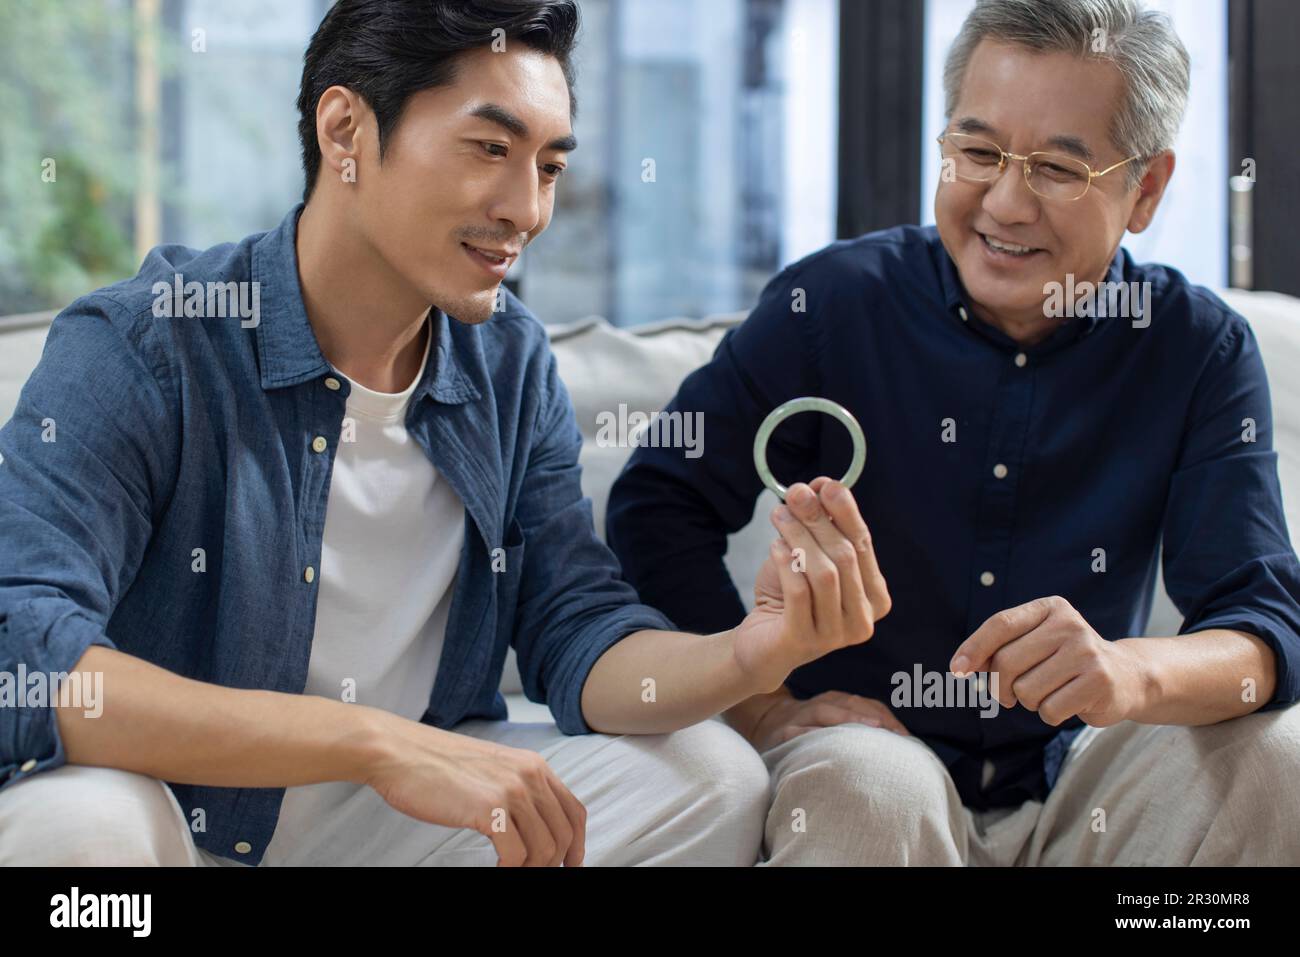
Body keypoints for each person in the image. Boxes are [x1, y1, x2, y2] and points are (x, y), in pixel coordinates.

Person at [0, 0, 882, 867]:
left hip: (400, 823)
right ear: (345, 130)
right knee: (74, 829)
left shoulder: (508, 365)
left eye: (548, 167)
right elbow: (26, 654)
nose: (526, 210)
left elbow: (575, 627)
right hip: (182, 817)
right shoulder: (148, 345)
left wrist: (752, 651)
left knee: (710, 773)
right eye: (491, 149)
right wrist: (371, 741)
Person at [607, 0, 1300, 865]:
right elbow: (654, 509)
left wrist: (1132, 672)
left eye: (1055, 168)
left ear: (1146, 189)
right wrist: (766, 705)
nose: (1004, 203)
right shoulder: (829, 305)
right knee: (869, 788)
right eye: (977, 153)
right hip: (870, 753)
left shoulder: (1196, 347)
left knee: (1284, 759)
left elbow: (1264, 623)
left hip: (1080, 772)